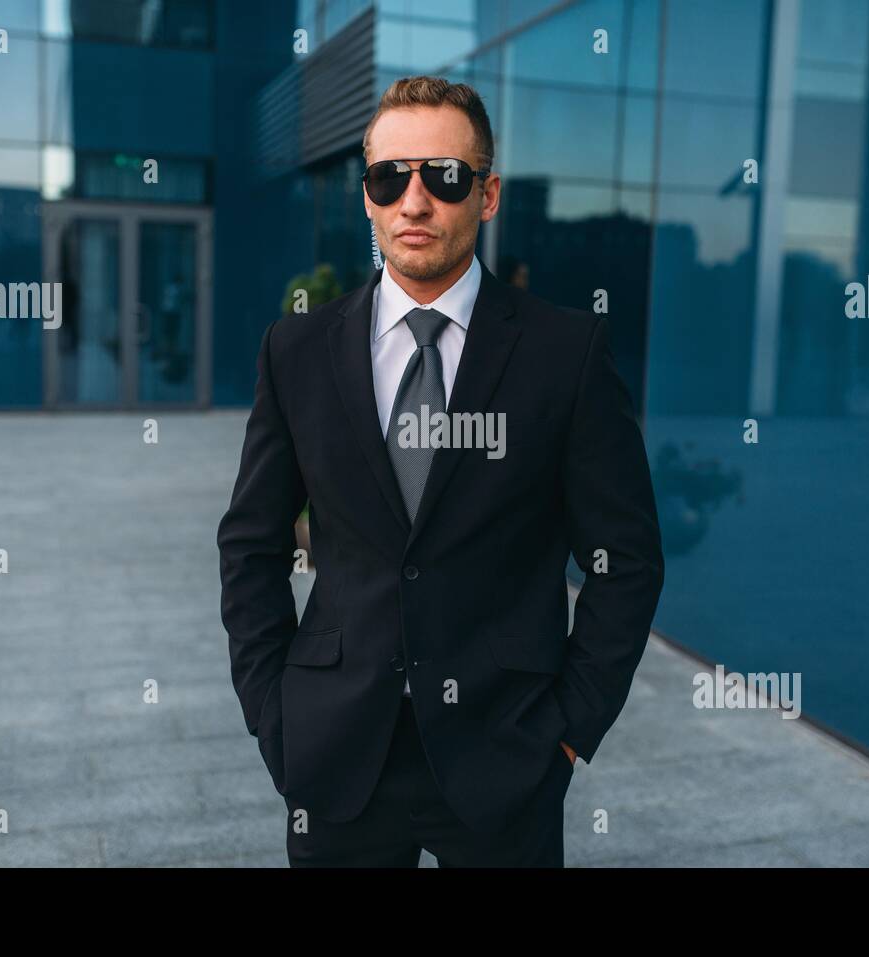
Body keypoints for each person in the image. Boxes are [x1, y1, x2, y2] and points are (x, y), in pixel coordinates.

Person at [216, 75, 664, 867]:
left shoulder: (568, 355)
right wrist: (275, 716)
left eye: (443, 177)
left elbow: (626, 561)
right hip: (335, 752)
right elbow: (250, 547)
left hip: (508, 757)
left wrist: (566, 733)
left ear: (486, 195)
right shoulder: (296, 350)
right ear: (366, 197)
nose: (413, 202)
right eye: (390, 177)